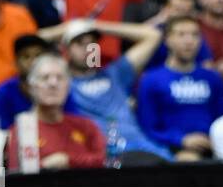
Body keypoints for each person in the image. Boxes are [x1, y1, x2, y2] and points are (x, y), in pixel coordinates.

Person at [64, 17, 172, 161]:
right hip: (107, 154)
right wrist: (66, 29)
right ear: (66, 50)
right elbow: (35, 42)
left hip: (144, 147)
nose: (88, 49)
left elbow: (153, 35)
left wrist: (95, 25)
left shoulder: (116, 73)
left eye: (92, 43)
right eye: (80, 43)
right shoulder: (63, 84)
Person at [136, 15, 223, 159]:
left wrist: (214, 139)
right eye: (181, 34)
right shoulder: (151, 80)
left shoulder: (212, 78)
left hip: (212, 148)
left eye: (195, 35)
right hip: (169, 150)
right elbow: (147, 127)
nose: (189, 41)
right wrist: (181, 140)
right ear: (167, 39)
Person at [6, 52, 106, 171]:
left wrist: (67, 160)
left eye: (59, 78)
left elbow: (104, 160)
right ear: (31, 87)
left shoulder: (86, 126)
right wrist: (46, 166)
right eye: (45, 78)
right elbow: (16, 175)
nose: (53, 84)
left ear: (68, 86)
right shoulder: (21, 131)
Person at [0, 33, 50, 130]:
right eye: (26, 57)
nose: (33, 62)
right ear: (16, 62)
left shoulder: (56, 88)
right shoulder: (3, 93)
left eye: (38, 56)